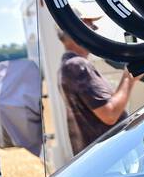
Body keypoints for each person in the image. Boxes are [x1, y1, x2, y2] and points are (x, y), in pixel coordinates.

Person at [57, 21, 136, 156]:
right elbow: (110, 115)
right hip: (109, 157)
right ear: (74, 30)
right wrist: (130, 77)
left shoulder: (67, 65)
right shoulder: (77, 65)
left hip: (97, 158)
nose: (95, 30)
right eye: (91, 27)